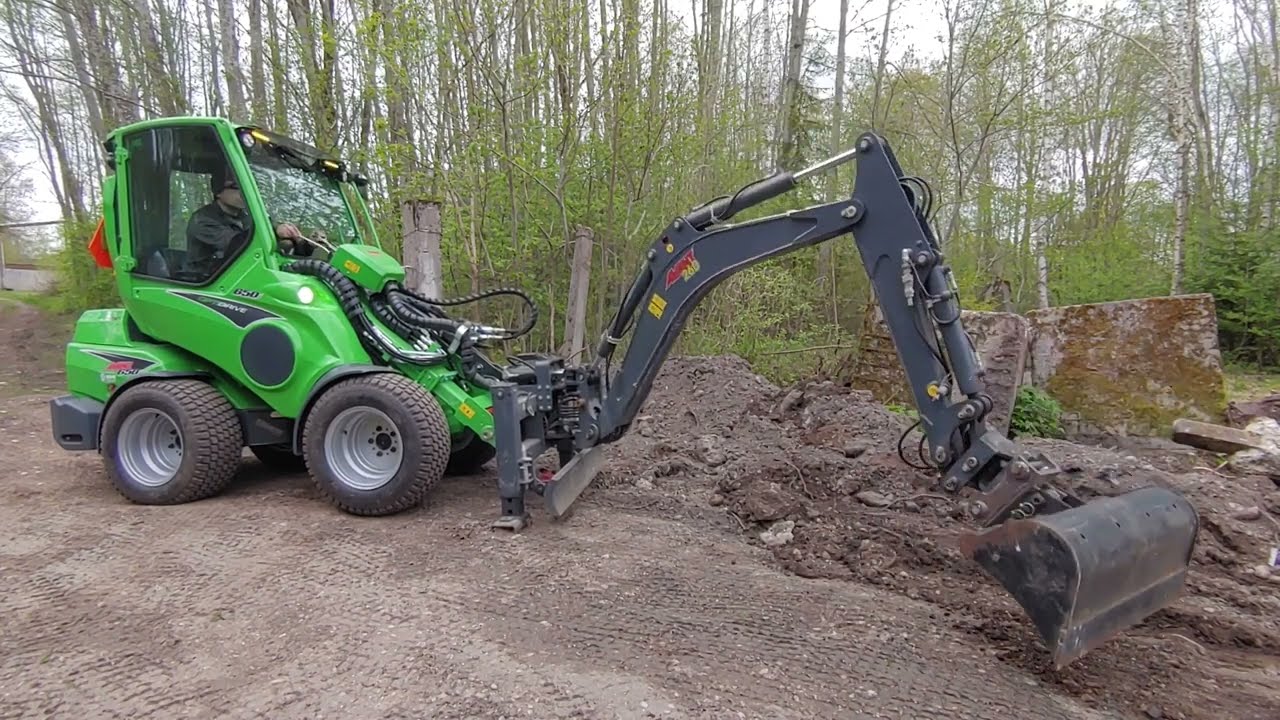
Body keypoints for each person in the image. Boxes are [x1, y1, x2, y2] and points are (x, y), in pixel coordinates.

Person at [184, 166, 303, 274]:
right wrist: (275, 232)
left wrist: (302, 243)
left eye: (245, 187)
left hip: (237, 276)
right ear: (218, 191)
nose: (243, 192)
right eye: (236, 187)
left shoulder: (248, 216)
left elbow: (273, 237)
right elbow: (238, 245)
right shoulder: (202, 220)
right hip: (204, 282)